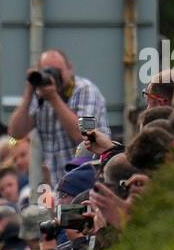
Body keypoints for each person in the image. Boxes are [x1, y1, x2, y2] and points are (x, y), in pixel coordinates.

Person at [6, 48, 109, 184]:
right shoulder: (40, 95)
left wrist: (54, 98)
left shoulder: (85, 90)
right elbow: (16, 132)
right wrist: (29, 92)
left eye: (57, 71)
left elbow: (83, 133)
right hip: (59, 185)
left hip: (90, 180)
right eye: (46, 71)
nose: (52, 76)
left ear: (70, 68)